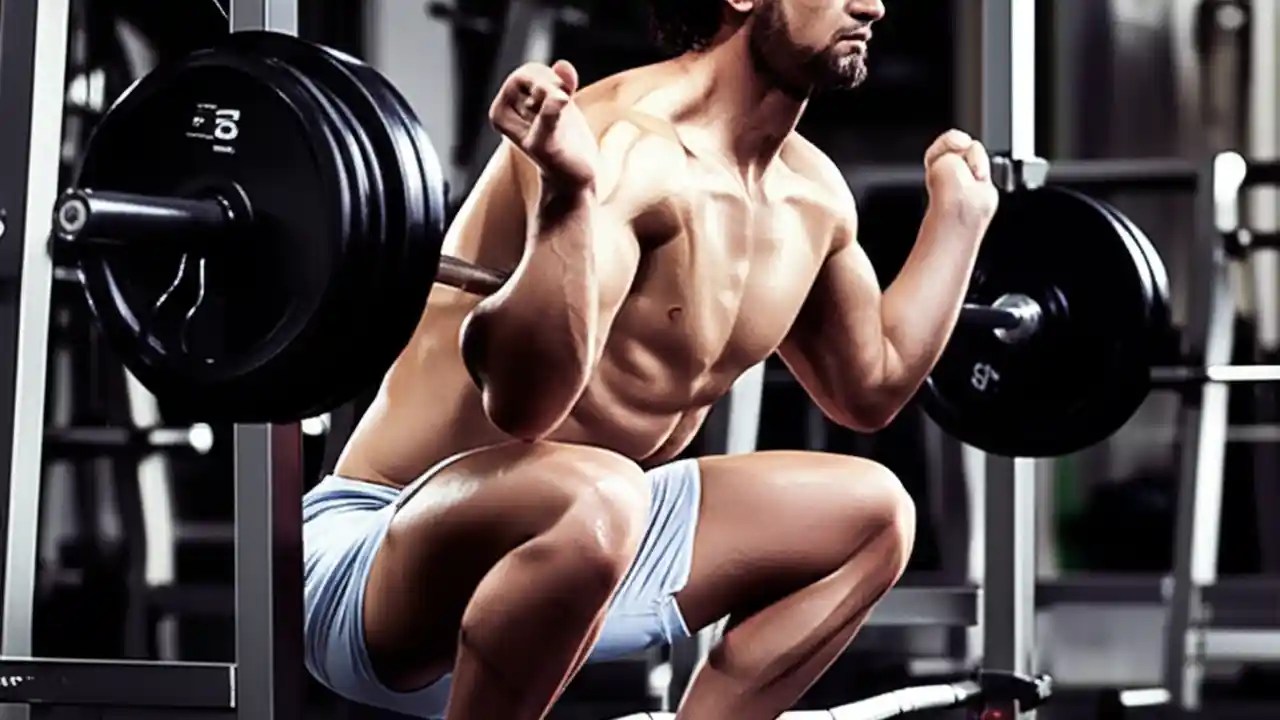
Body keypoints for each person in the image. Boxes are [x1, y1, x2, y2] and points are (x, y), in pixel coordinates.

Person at [301, 0, 997, 717]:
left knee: (876, 515)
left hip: (588, 561)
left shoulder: (811, 198)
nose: (873, 5)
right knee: (599, 494)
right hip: (383, 565)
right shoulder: (624, 148)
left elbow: (870, 388)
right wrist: (568, 196)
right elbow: (523, 405)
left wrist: (958, 223)